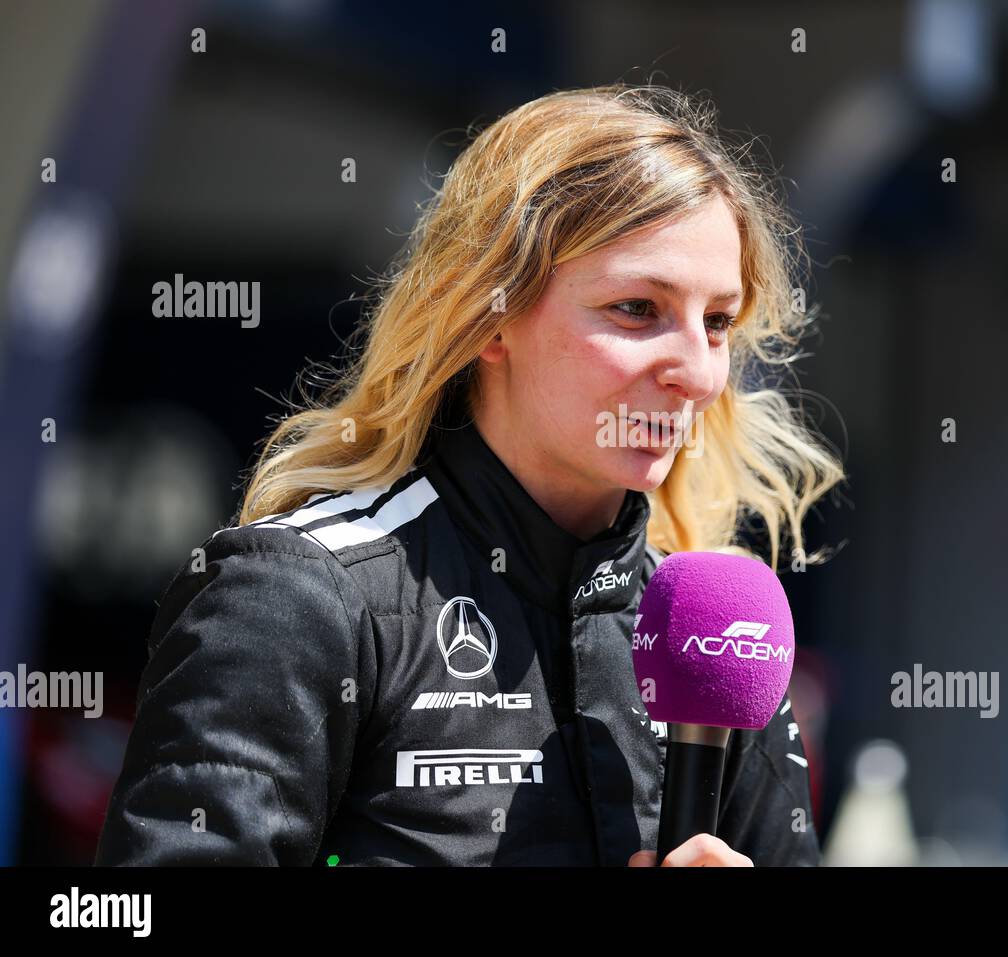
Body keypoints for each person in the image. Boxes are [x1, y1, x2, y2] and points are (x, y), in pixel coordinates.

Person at [94, 84, 845, 866]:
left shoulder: (717, 639)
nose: (696, 370)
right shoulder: (298, 595)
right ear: (489, 317)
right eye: (636, 308)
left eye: (718, 321)